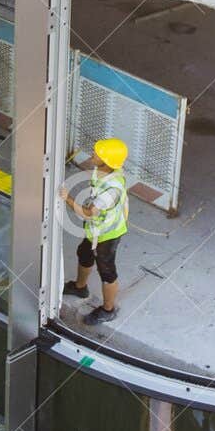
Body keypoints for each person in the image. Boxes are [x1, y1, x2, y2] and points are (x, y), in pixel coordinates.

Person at [61, 138, 129, 325]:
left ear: (106, 162)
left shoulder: (111, 190)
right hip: (95, 231)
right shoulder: (104, 171)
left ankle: (108, 309)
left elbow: (89, 213)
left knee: (106, 271)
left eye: (98, 154)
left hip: (107, 235)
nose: (93, 154)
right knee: (84, 253)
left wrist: (67, 198)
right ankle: (80, 287)